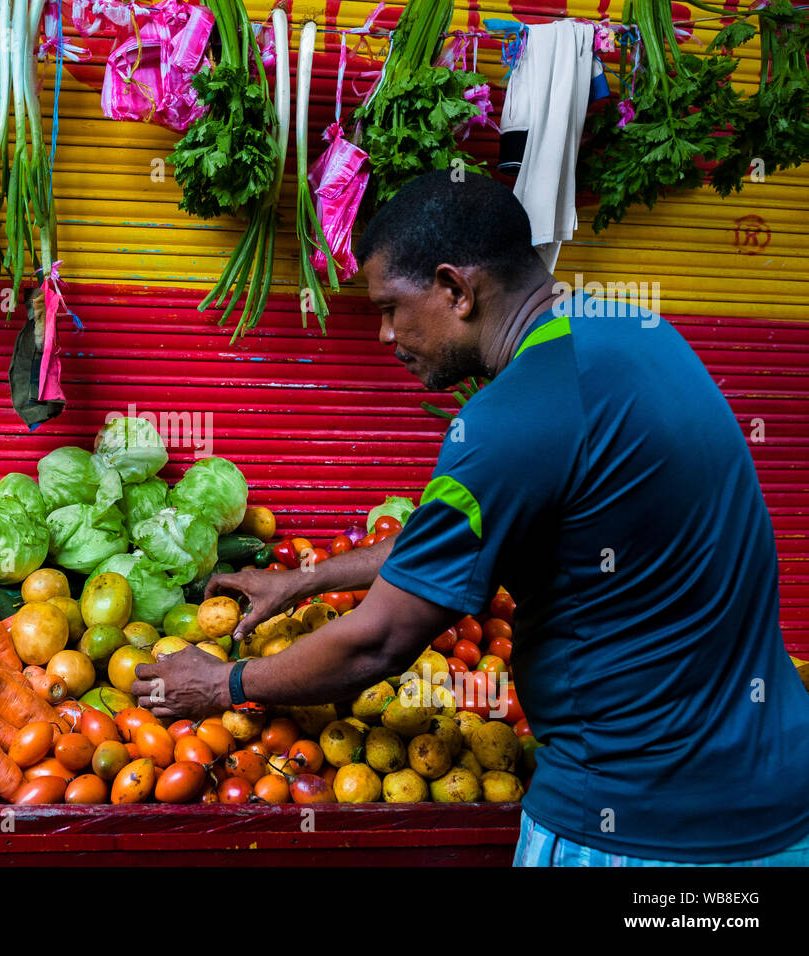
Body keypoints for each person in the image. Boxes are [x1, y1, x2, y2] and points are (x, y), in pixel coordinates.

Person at [133, 169, 809, 865]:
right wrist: (305, 581)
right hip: (778, 800)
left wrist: (219, 684)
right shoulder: (636, 333)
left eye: (392, 308)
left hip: (634, 824)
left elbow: (380, 643)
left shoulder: (512, 417)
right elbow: (474, 538)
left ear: (456, 290)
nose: (387, 334)